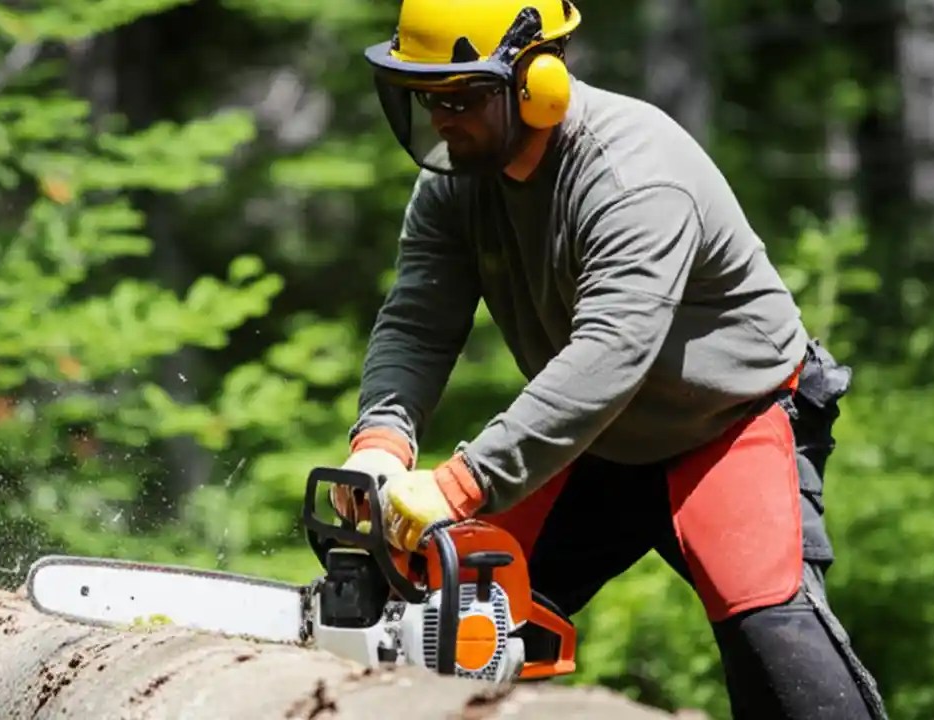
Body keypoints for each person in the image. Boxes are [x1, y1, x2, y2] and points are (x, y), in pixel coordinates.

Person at [329, 1, 890, 718]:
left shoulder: (632, 175)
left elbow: (611, 352)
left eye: (461, 99)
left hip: (728, 422)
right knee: (450, 612)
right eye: (428, 100)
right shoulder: (456, 181)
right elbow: (416, 320)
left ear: (537, 84)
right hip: (594, 435)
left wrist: (463, 483)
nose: (442, 121)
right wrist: (381, 441)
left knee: (778, 651)